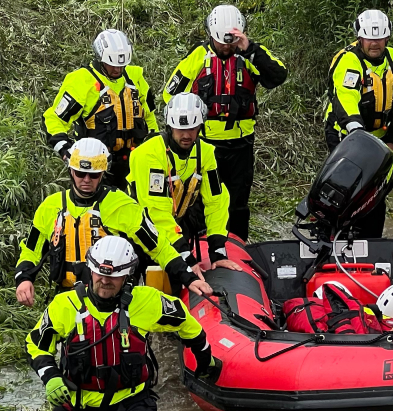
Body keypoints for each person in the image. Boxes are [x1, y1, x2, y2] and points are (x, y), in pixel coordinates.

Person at [27, 237, 220, 411]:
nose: (105, 281)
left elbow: (187, 324)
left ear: (127, 275)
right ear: (91, 270)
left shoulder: (147, 302)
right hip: (86, 407)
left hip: (133, 402)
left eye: (114, 275)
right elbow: (35, 344)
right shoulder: (64, 306)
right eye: (100, 273)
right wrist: (51, 377)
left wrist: (205, 360)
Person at [14, 138, 210, 308]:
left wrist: (188, 277)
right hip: (67, 295)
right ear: (71, 171)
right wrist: (24, 279)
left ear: (102, 174)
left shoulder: (122, 206)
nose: (86, 180)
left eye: (94, 175)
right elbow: (31, 249)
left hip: (115, 297)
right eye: (80, 174)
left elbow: (157, 247)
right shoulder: (50, 207)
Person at [163, 5, 288, 241]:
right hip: (206, 145)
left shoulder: (249, 55)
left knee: (238, 202)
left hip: (241, 144)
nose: (226, 47)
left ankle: (238, 245)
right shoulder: (197, 57)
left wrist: (250, 49)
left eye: (231, 43)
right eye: (222, 43)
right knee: (200, 200)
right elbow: (170, 95)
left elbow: (278, 75)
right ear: (211, 35)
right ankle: (203, 244)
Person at [128, 93, 239, 280]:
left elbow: (216, 201)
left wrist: (218, 250)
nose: (186, 135)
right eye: (180, 129)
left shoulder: (205, 153)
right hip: (141, 229)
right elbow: (155, 210)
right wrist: (184, 253)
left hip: (175, 225)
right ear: (170, 126)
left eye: (192, 128)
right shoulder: (148, 154)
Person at [323, 9, 393, 239]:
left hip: (381, 135)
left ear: (387, 38)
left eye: (380, 38)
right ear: (360, 37)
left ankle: (371, 239)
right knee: (345, 186)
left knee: (375, 191)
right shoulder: (349, 61)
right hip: (346, 133)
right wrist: (359, 136)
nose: (375, 44)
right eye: (370, 38)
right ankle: (333, 235)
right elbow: (346, 98)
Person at [42, 29, 158, 187]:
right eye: (112, 65)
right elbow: (53, 119)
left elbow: (149, 116)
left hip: (135, 161)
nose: (118, 69)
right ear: (100, 58)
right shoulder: (82, 80)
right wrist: (65, 150)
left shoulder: (135, 77)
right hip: (96, 167)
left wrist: (154, 143)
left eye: (122, 65)